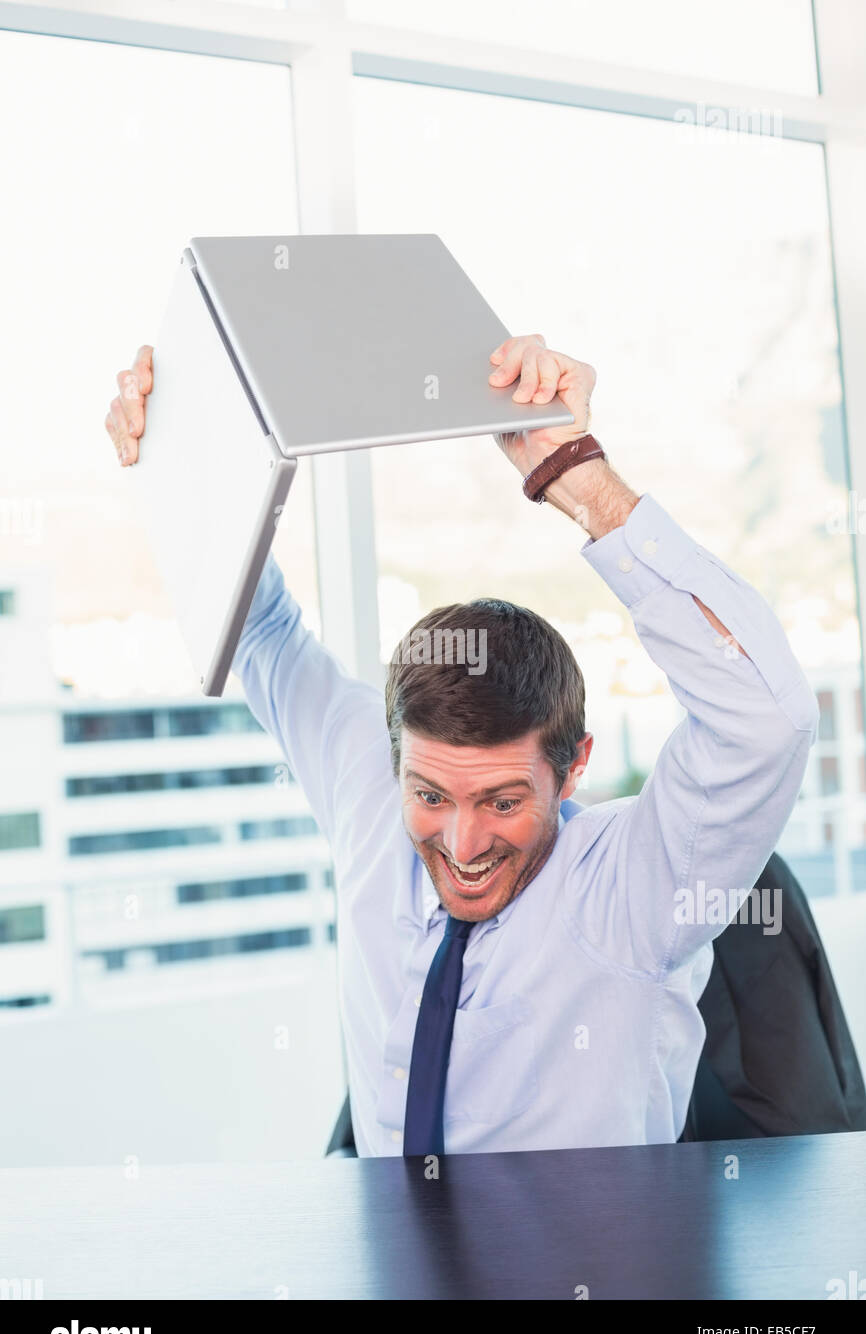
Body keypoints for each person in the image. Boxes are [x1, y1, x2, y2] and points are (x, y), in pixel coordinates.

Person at [105, 334, 819, 1158]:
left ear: (574, 765)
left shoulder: (632, 892)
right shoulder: (367, 783)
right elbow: (259, 626)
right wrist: (186, 452)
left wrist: (577, 476)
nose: (462, 843)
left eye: (503, 801)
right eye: (431, 795)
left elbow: (767, 717)